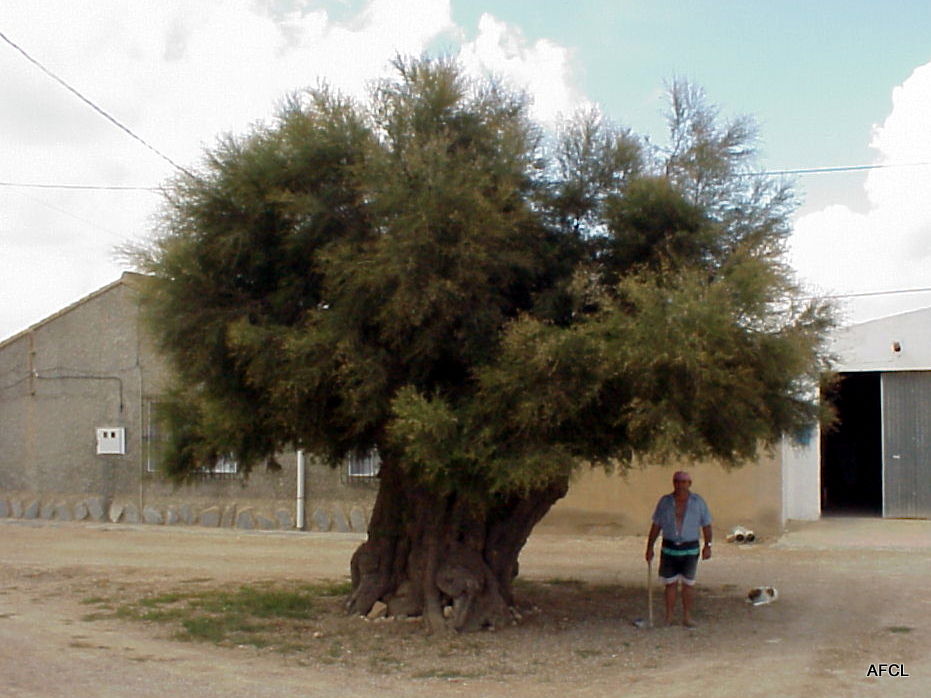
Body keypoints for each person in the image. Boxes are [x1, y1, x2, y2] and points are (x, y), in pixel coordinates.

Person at [645, 471, 712, 627]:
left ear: (689, 483)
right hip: (669, 547)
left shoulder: (698, 502)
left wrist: (708, 545)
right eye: (677, 481)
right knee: (670, 584)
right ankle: (669, 617)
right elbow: (656, 525)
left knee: (688, 584)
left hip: (690, 548)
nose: (680, 485)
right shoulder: (665, 502)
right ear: (673, 483)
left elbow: (706, 525)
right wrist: (650, 546)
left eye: (684, 482)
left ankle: (687, 617)